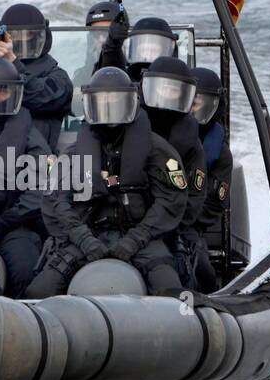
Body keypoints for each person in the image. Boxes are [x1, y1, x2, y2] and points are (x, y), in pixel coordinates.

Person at [25, 67, 187, 299]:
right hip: (87, 236)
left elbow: (169, 201)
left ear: (131, 103)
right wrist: (85, 240)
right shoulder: (73, 154)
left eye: (117, 101)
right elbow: (57, 202)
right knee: (37, 292)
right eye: (104, 102)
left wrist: (134, 240)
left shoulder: (156, 150)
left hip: (142, 237)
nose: (110, 109)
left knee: (171, 290)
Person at [0, 56, 50, 297]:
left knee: (25, 267)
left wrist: (2, 223)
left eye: (3, 92)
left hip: (12, 222)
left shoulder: (29, 136)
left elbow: (42, 188)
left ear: (14, 94)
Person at [0, 3, 73, 150]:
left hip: (32, 154)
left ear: (42, 36)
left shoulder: (56, 76)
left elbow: (42, 96)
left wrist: (13, 61)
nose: (21, 40)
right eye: (14, 35)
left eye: (28, 35)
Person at [140, 55, 207, 287]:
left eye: (173, 90)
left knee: (200, 275)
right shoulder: (132, 126)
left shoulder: (190, 141)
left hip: (174, 224)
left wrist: (166, 225)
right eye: (162, 89)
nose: (166, 96)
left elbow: (195, 198)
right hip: (132, 222)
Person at [189, 68, 233, 293]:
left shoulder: (219, 153)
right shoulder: (160, 136)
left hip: (189, 224)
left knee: (203, 272)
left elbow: (216, 203)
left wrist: (182, 218)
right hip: (151, 219)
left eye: (196, 103)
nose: (190, 108)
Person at [70, 1, 130, 120]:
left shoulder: (135, 72)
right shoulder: (82, 74)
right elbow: (73, 109)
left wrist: (112, 47)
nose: (102, 39)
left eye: (108, 33)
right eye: (96, 34)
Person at [122, 16, 179, 82]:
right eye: (143, 50)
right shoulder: (125, 77)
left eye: (154, 51)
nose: (148, 55)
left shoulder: (177, 80)